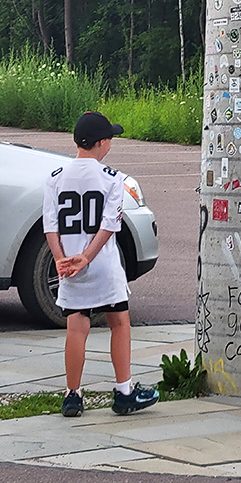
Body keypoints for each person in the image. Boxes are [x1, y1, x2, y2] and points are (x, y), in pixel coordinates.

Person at [42, 111, 159, 418]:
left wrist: (60, 258)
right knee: (119, 322)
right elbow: (109, 225)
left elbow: (50, 225)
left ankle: (72, 395)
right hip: (102, 264)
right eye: (110, 138)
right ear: (102, 143)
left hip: (68, 265)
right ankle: (123, 392)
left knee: (76, 326)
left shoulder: (55, 178)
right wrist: (89, 257)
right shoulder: (113, 179)